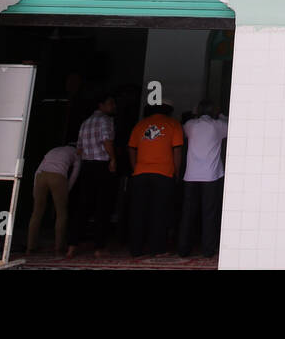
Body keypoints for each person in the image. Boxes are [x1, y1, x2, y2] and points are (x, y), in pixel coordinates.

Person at [127, 101, 184, 257]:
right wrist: (177, 172)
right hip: (163, 174)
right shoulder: (173, 124)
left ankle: (136, 249)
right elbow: (177, 151)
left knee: (138, 212)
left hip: (140, 173)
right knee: (160, 212)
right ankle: (157, 249)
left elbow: (131, 149)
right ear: (169, 112)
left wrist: (135, 167)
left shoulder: (140, 125)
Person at [177, 99, 227, 258]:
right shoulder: (217, 126)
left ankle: (183, 249)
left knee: (188, 213)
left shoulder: (190, 125)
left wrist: (195, 113)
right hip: (211, 176)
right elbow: (233, 124)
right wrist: (221, 114)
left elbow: (186, 123)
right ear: (214, 111)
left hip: (191, 176)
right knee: (209, 213)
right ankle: (208, 249)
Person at [73, 93, 117, 257]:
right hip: (101, 166)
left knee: (83, 206)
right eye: (111, 103)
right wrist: (113, 159)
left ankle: (72, 244)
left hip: (87, 165)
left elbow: (79, 148)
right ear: (101, 105)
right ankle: (99, 247)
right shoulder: (105, 121)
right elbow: (107, 141)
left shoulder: (85, 123)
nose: (114, 106)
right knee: (102, 207)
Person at [27, 141, 80, 256]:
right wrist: (67, 189)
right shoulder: (76, 153)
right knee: (61, 213)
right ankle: (59, 247)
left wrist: (35, 187)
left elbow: (38, 169)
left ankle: (30, 247)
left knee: (37, 212)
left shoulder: (53, 150)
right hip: (58, 176)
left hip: (41, 175)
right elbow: (75, 173)